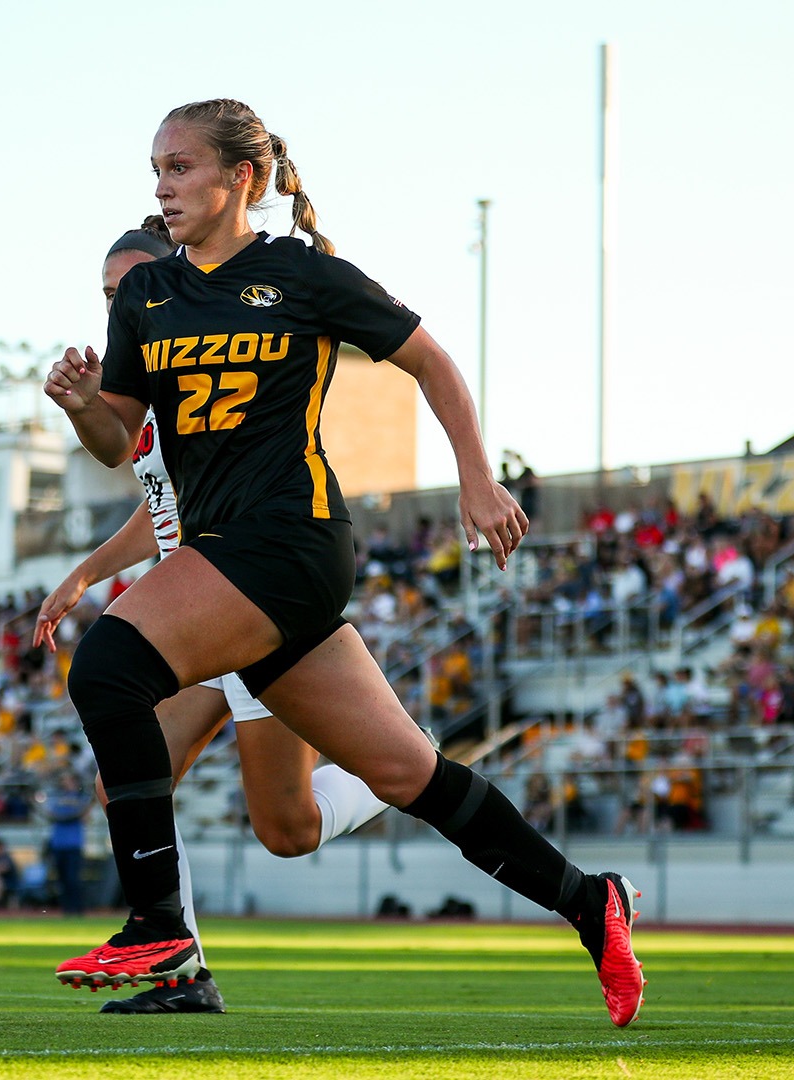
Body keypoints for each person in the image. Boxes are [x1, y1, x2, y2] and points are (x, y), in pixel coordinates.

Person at [43, 99, 643, 1026]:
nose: (163, 187)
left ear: (242, 177)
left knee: (109, 668)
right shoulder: (148, 294)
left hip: (289, 541)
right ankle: (588, 902)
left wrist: (476, 478)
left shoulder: (302, 274)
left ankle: (160, 928)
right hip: (228, 562)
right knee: (408, 778)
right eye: (156, 170)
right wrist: (84, 403)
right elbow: (118, 443)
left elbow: (432, 362)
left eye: (180, 167)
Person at [32, 215, 394, 1014]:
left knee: (288, 829)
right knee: (126, 783)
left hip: (244, 605)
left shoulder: (204, 366)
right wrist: (87, 572)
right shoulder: (141, 380)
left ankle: (403, 763)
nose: (119, 303)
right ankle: (182, 972)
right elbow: (159, 506)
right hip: (193, 621)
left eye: (129, 287)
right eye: (107, 293)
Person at [43, 771, 91, 917]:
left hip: (72, 844)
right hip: (59, 844)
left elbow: (76, 815)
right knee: (62, 879)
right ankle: (67, 908)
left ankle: (77, 908)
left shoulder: (80, 798)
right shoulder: (59, 797)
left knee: (72, 878)